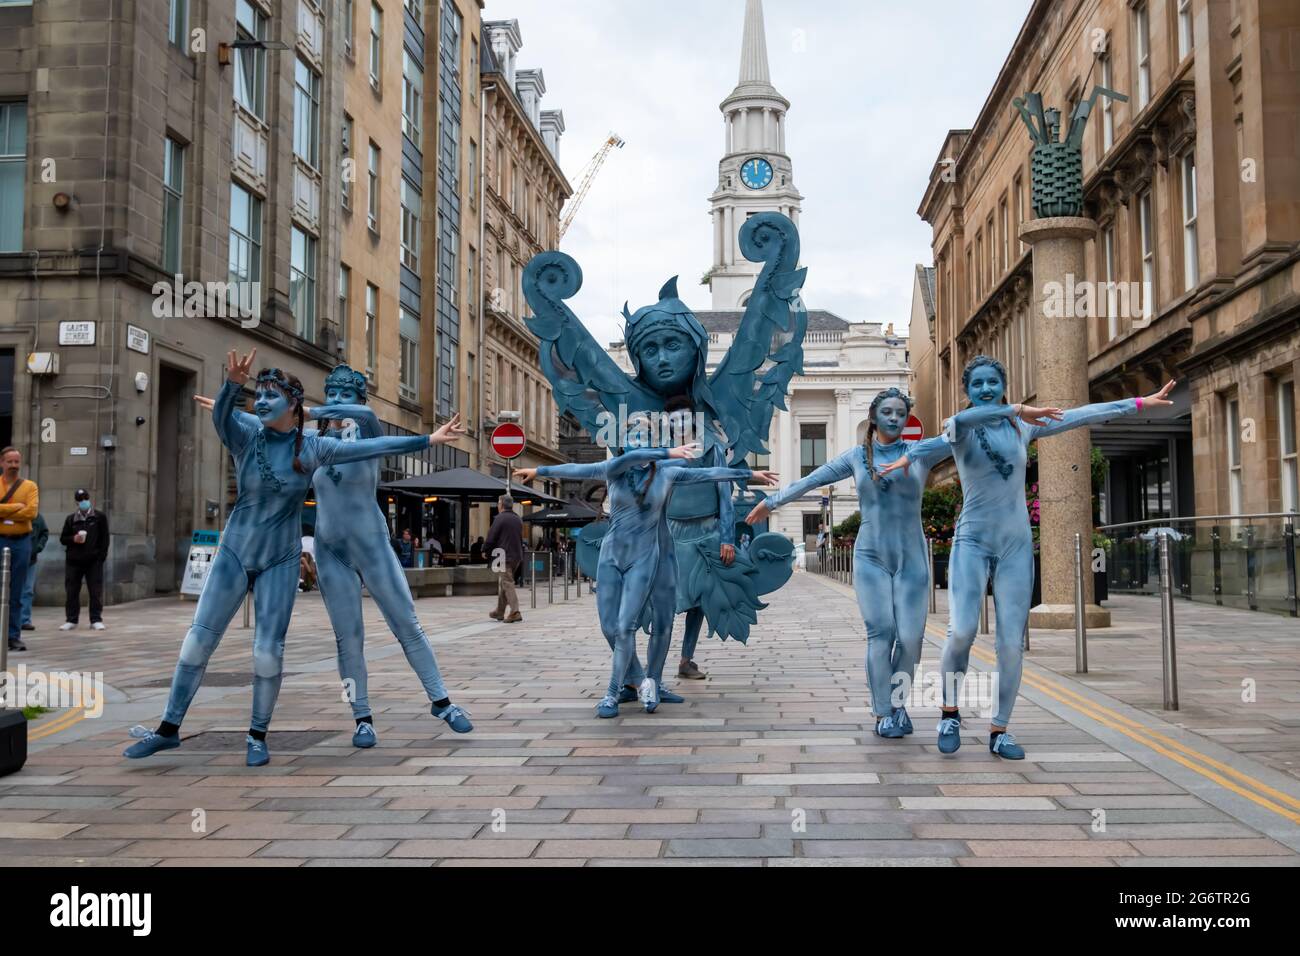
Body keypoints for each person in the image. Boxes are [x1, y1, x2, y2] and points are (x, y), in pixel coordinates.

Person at [125, 349, 448, 767]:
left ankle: (258, 735)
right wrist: (230, 388)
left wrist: (429, 440)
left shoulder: (318, 445)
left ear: (293, 403)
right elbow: (226, 418)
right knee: (196, 643)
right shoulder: (247, 435)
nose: (259, 402)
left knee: (268, 651)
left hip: (288, 557)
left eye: (270, 395)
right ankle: (168, 729)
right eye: (257, 394)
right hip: (236, 552)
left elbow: (377, 435)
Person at [881, 358, 1176, 760]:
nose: (986, 388)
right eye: (978, 383)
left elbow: (1080, 414)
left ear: (1003, 385)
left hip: (1016, 546)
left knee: (1010, 643)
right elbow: (936, 441)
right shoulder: (961, 426)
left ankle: (1000, 729)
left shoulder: (1024, 426)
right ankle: (949, 712)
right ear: (968, 391)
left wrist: (1139, 403)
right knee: (962, 631)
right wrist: (1016, 408)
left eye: (994, 382)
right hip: (972, 543)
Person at [519, 425, 778, 716]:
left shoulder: (666, 473)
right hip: (611, 555)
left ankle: (612, 693)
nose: (639, 448)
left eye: (645, 441)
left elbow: (709, 474)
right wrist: (539, 471)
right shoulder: (614, 469)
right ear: (626, 447)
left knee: (625, 625)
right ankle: (641, 681)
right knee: (609, 627)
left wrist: (750, 475)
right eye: (633, 441)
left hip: (644, 558)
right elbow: (575, 469)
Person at [748, 388, 956, 739]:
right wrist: (772, 502)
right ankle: (883, 712)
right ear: (873, 418)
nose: (894, 418)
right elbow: (811, 480)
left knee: (910, 638)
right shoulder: (857, 458)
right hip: (871, 555)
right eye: (886, 412)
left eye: (900, 413)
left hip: (912, 557)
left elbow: (964, 435)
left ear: (907, 419)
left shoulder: (919, 452)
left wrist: (992, 415)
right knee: (881, 633)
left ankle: (899, 703)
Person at [0, 447, 38, 652]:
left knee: (17, 590)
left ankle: (13, 636)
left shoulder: (30, 486)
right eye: (9, 462)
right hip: (0, 539)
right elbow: (23, 510)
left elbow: (31, 512)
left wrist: (4, 511)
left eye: (16, 462)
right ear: (1, 463)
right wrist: (16, 507)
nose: (13, 465)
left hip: (22, 541)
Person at [59, 489, 110, 631]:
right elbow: (63, 539)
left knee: (95, 590)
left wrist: (101, 557)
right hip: (74, 561)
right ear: (76, 502)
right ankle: (71, 619)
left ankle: (96, 619)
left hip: (93, 561)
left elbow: (105, 538)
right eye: (80, 499)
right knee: (72, 591)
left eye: (85, 498)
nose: (84, 501)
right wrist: (73, 539)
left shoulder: (99, 517)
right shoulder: (71, 519)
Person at [485, 496, 524, 623]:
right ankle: (499, 612)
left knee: (507, 582)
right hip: (517, 556)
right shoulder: (517, 519)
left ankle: (515, 611)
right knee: (505, 583)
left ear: (501, 504)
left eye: (498, 502)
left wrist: (485, 550)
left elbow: (491, 537)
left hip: (503, 555)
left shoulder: (499, 518)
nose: (497, 505)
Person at [20, 512, 48, 631]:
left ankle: (24, 620)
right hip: (12, 558)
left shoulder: (37, 517)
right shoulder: (13, 513)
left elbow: (44, 533)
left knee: (28, 590)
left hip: (31, 559)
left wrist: (39, 547)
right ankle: (9, 619)